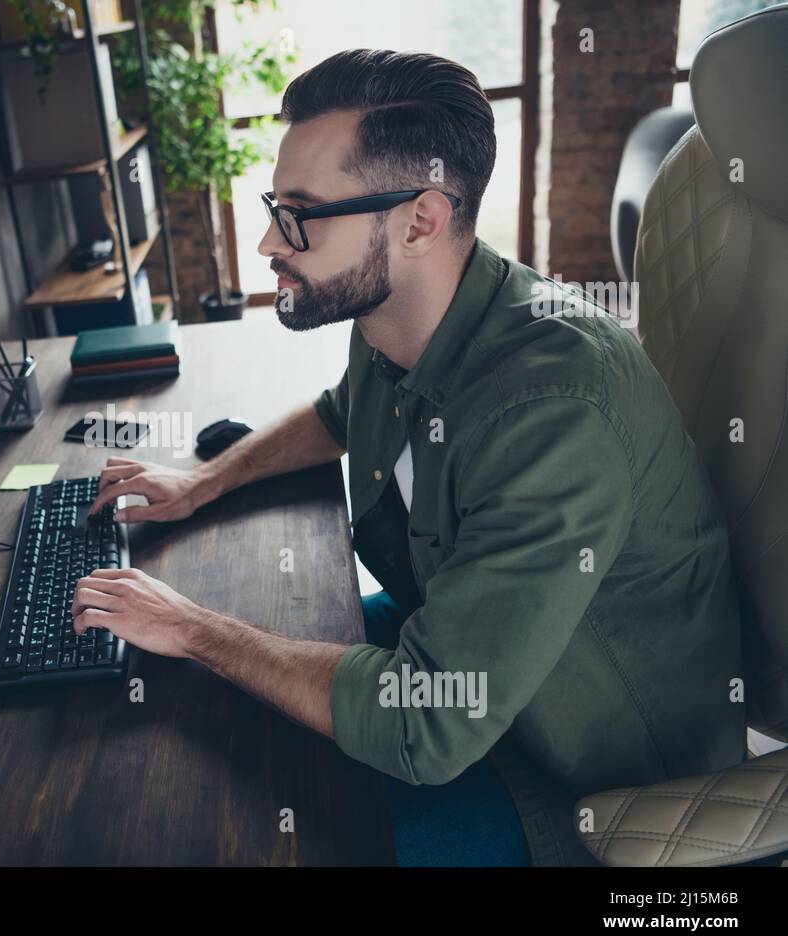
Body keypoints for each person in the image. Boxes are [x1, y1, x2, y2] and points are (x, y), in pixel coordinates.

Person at [70, 49, 746, 866]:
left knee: (242, 824)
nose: (266, 242)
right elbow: (341, 413)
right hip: (467, 654)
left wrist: (195, 629)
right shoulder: (407, 311)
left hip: (590, 772)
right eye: (275, 206)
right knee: (206, 698)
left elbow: (426, 726)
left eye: (299, 214)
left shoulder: (554, 409)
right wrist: (203, 481)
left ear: (419, 220)